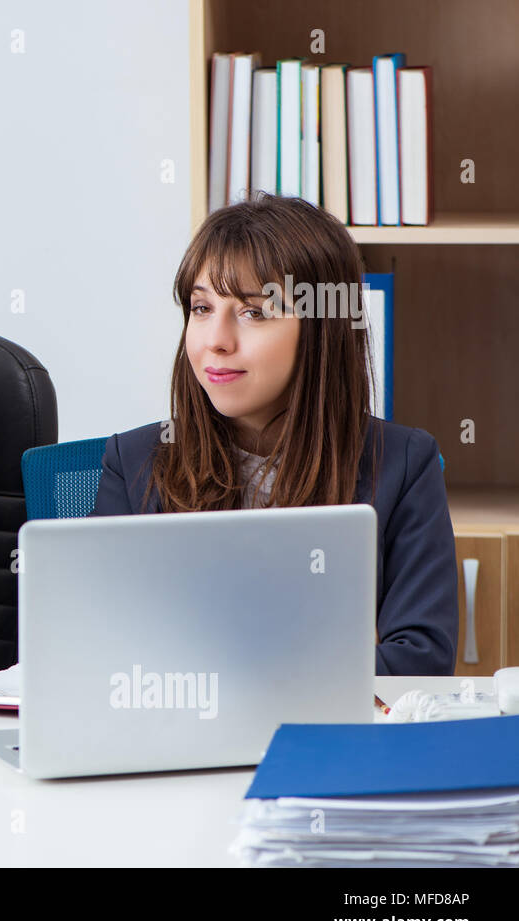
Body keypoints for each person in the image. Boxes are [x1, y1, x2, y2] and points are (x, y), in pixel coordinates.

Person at [90, 193, 457, 676]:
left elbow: (419, 660)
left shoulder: (404, 463)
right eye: (201, 308)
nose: (216, 340)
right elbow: (93, 641)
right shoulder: (135, 458)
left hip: (318, 737)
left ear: (322, 328)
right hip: (174, 735)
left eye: (254, 312)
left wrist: (259, 681)